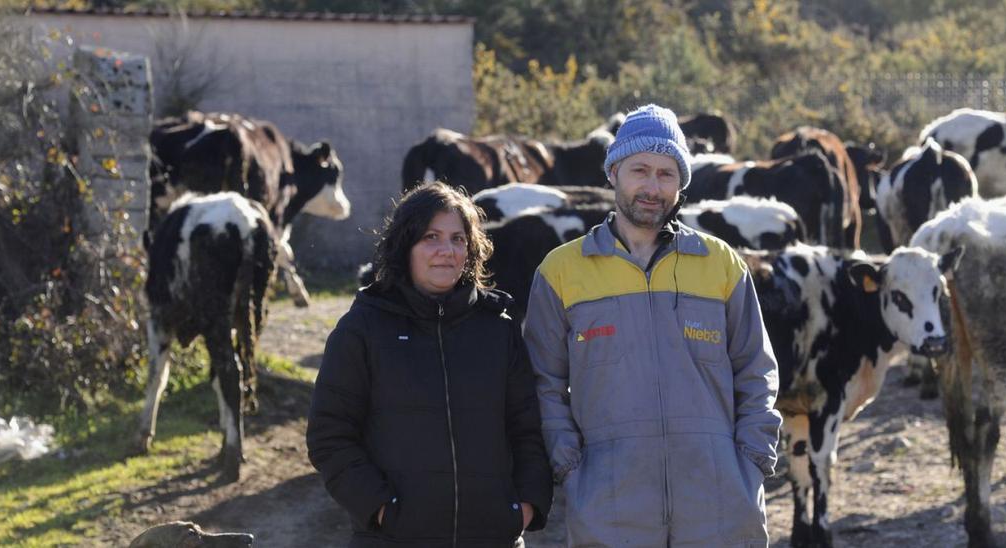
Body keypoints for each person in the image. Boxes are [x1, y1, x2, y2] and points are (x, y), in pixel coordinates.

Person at [523, 104, 782, 546]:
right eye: (639, 169)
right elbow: (544, 381)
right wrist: (570, 464)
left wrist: (751, 460)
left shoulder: (722, 265)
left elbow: (756, 370)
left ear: (681, 184)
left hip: (720, 507)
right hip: (610, 510)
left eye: (666, 173)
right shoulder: (561, 271)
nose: (651, 186)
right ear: (613, 173)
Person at [307, 182, 552, 547]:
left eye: (457, 239)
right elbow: (329, 436)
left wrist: (525, 507)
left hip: (493, 537)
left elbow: (528, 429)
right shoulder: (362, 328)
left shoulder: (498, 329)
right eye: (431, 237)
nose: (446, 251)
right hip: (394, 539)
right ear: (405, 245)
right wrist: (380, 509)